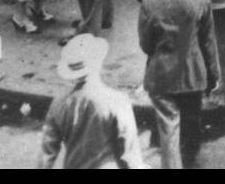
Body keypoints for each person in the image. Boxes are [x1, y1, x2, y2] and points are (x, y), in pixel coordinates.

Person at [138, 0, 219, 169]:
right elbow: (208, 41)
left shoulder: (149, 4)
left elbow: (145, 44)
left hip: (162, 74)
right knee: (192, 124)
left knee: (168, 130)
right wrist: (213, 74)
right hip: (193, 72)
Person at [38, 34, 147, 169]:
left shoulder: (59, 103)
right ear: (98, 63)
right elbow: (129, 155)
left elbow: (47, 154)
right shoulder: (118, 101)